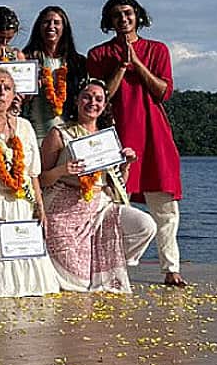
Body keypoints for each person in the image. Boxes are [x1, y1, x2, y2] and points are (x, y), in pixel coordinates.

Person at [86, 0, 186, 287]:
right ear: (109, 21)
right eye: (116, 15)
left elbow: (162, 92)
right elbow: (101, 98)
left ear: (138, 16)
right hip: (115, 135)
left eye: (128, 13)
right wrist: (120, 65)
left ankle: (171, 268)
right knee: (113, 204)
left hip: (154, 136)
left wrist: (137, 63)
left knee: (165, 207)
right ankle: (115, 268)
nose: (123, 19)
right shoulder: (99, 55)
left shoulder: (157, 50)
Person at [39, 79, 156, 293]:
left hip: (100, 205)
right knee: (79, 284)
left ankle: (109, 262)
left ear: (104, 106)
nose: (92, 102)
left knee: (145, 225)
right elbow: (41, 179)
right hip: (64, 208)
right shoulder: (59, 134)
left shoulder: (107, 138)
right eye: (87, 97)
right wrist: (62, 170)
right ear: (76, 101)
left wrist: (126, 165)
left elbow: (116, 183)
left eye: (98, 99)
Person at [0, 68, 61, 297]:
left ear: (13, 95)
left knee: (36, 290)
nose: (0, 93)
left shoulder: (25, 126)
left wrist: (40, 207)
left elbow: (32, 174)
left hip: (23, 205)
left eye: (7, 88)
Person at [22, 6, 88, 141]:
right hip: (33, 132)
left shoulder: (77, 62)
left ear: (64, 28)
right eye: (46, 22)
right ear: (39, 27)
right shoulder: (27, 59)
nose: (51, 26)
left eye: (56, 22)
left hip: (67, 132)